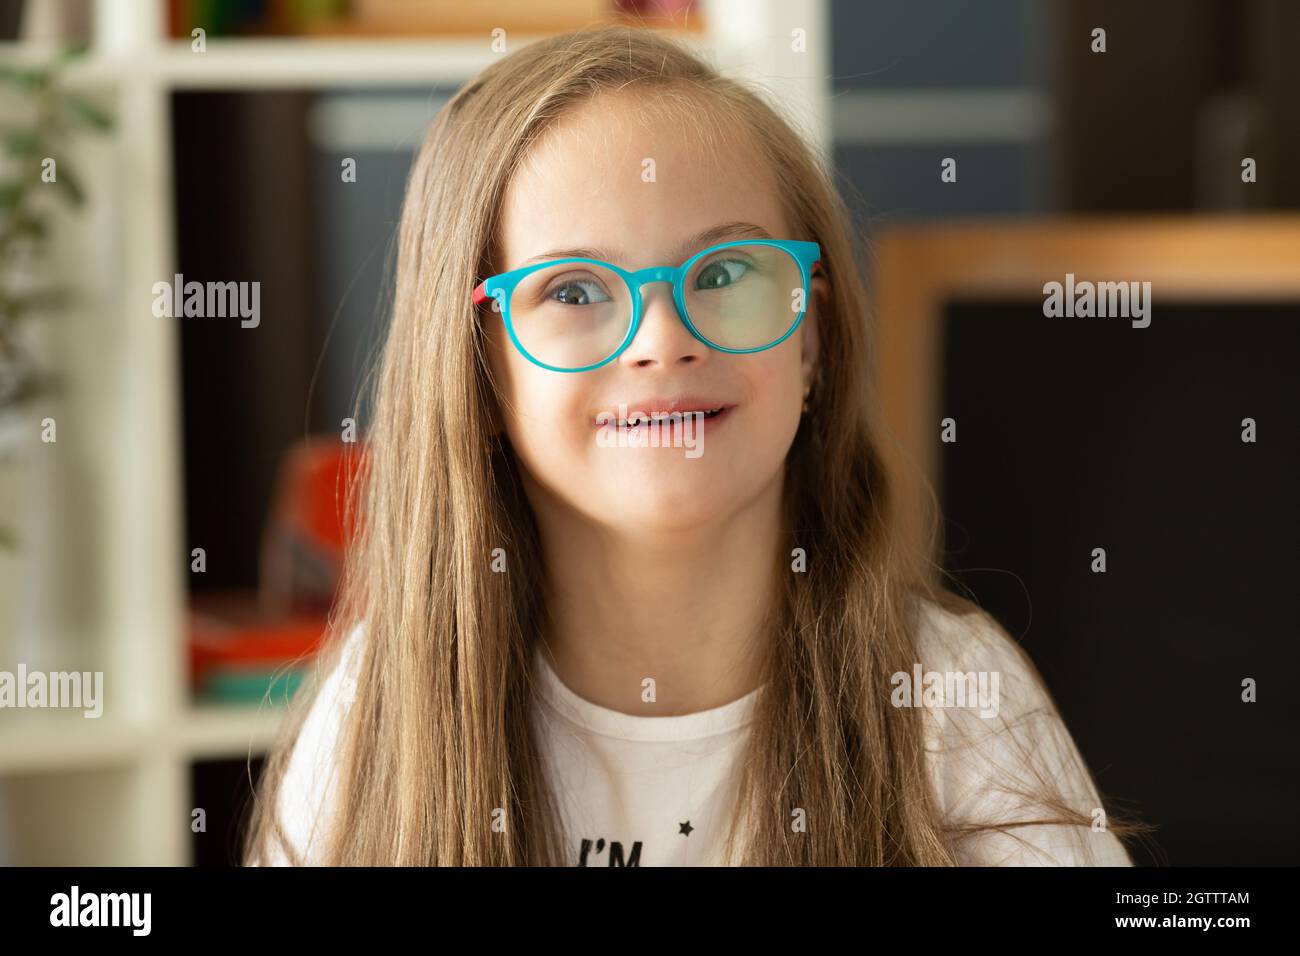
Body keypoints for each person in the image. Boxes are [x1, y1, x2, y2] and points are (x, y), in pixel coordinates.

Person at [244, 24, 1145, 867]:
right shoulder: (374, 717)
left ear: (809, 338)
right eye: (573, 289)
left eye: (722, 273)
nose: (661, 338)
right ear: (476, 371)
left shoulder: (953, 699)